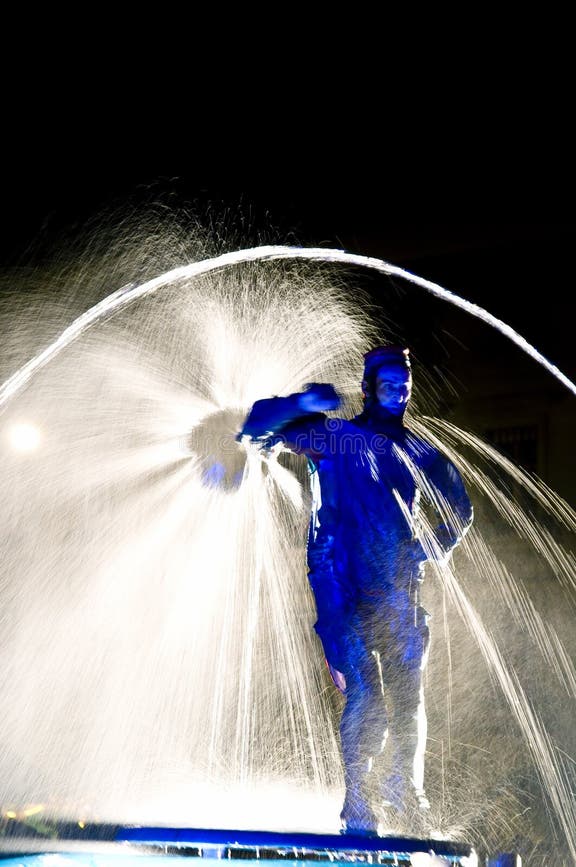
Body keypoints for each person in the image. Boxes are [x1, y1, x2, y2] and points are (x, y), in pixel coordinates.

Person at [238, 347, 473, 834]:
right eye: (388, 383)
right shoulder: (336, 437)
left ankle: (406, 789)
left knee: (408, 697)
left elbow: (460, 506)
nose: (399, 392)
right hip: (342, 588)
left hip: (399, 588)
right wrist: (303, 403)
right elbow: (256, 425)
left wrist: (429, 547)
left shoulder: (418, 449)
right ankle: (358, 802)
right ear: (367, 388)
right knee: (366, 694)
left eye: (405, 383)